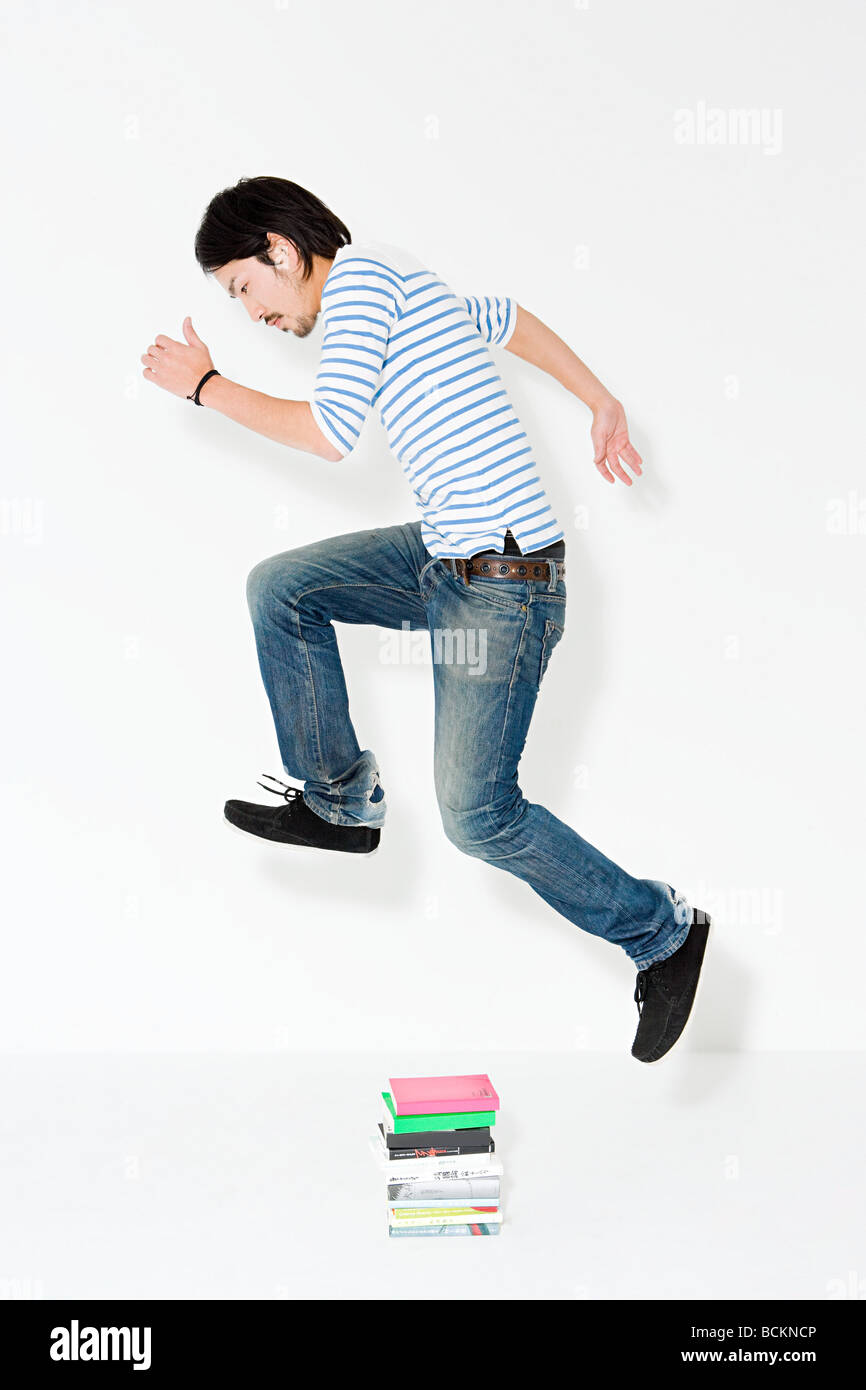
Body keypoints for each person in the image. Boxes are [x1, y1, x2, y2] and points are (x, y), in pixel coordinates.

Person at [140, 175, 710, 1063]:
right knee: (281, 587)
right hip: (445, 554)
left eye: (243, 287)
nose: (250, 311)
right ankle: (340, 803)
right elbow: (509, 318)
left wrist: (206, 386)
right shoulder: (405, 285)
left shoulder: (363, 278)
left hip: (504, 585)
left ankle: (661, 934)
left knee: (478, 817)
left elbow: (332, 433)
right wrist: (599, 399)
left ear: (283, 252)